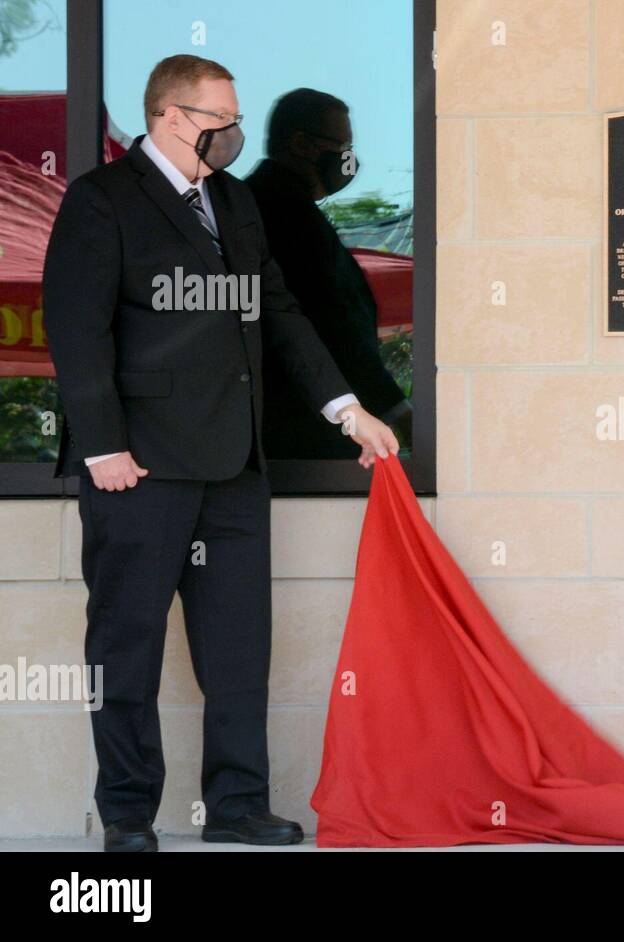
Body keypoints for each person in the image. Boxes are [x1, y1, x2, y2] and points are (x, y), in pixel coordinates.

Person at [42, 54, 398, 851]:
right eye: (220, 120)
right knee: (125, 649)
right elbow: (76, 327)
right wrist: (102, 445)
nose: (234, 133)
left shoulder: (234, 202)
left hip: (235, 467)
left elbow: (280, 314)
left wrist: (347, 409)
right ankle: (128, 816)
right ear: (170, 116)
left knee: (240, 650)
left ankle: (237, 806)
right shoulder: (101, 201)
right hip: (138, 467)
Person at [245, 88, 411, 458]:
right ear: (303, 145)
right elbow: (333, 325)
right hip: (306, 428)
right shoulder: (284, 212)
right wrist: (395, 408)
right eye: (342, 144)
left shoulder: (268, 203)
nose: (348, 158)